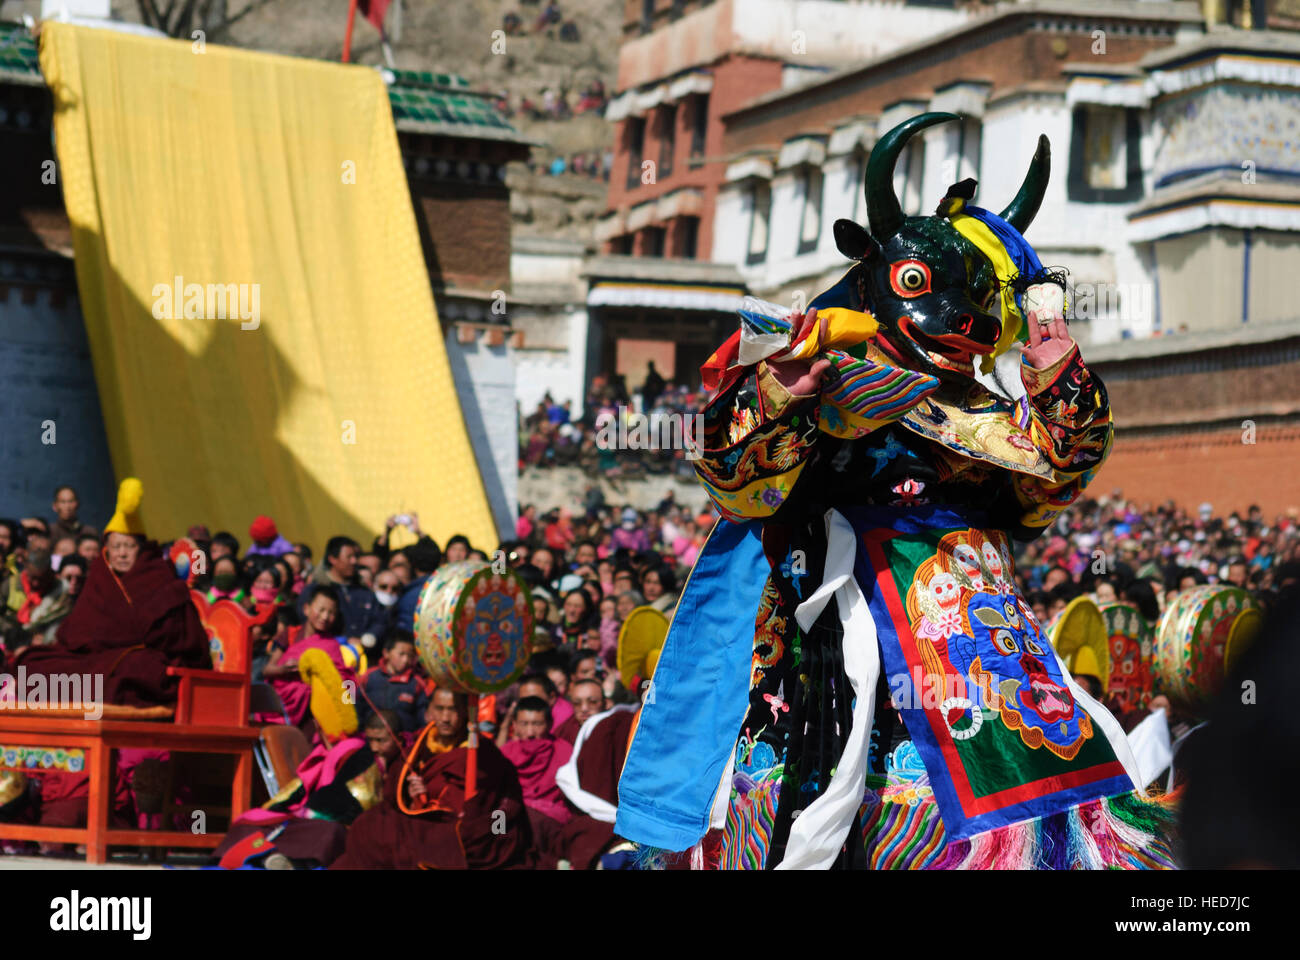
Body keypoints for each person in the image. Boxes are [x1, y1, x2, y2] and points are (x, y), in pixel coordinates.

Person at [617, 115, 1176, 870]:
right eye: (921, 285)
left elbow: (1059, 476)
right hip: (829, 639)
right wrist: (783, 397)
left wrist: (1051, 351)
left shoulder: (987, 409)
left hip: (970, 653)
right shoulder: (818, 364)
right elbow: (734, 479)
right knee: (804, 818)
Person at [332, 689, 534, 869]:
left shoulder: (483, 752)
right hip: (419, 816)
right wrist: (411, 796)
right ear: (429, 711)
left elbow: (498, 799)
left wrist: (449, 805)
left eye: (453, 709)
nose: (446, 718)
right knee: (368, 824)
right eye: (440, 708)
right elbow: (393, 793)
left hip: (455, 822)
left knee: (459, 841)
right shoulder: (420, 744)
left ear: (466, 712)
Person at [213, 710, 404, 869]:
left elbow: (372, 802)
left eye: (381, 740)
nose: (374, 747)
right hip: (314, 811)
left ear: (397, 738)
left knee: (329, 834)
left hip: (349, 823)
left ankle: (289, 862)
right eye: (370, 739)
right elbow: (308, 786)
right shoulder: (357, 753)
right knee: (254, 824)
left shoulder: (406, 761)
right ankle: (267, 857)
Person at [500, 696, 574, 861]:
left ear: (549, 724)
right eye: (524, 724)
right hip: (513, 816)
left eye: (537, 724)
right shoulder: (506, 753)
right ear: (515, 725)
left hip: (550, 819)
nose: (530, 733)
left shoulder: (564, 751)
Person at [301, 536, 386, 652]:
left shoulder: (365, 592)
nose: (354, 561)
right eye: (349, 557)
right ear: (332, 559)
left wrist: (367, 639)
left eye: (355, 556)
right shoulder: (316, 589)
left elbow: (380, 621)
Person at [358, 631, 429, 733]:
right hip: (370, 738)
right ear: (386, 653)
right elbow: (356, 705)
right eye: (401, 654)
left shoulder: (417, 683)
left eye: (410, 656)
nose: (405, 660)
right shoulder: (369, 677)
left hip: (404, 743)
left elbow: (422, 718)